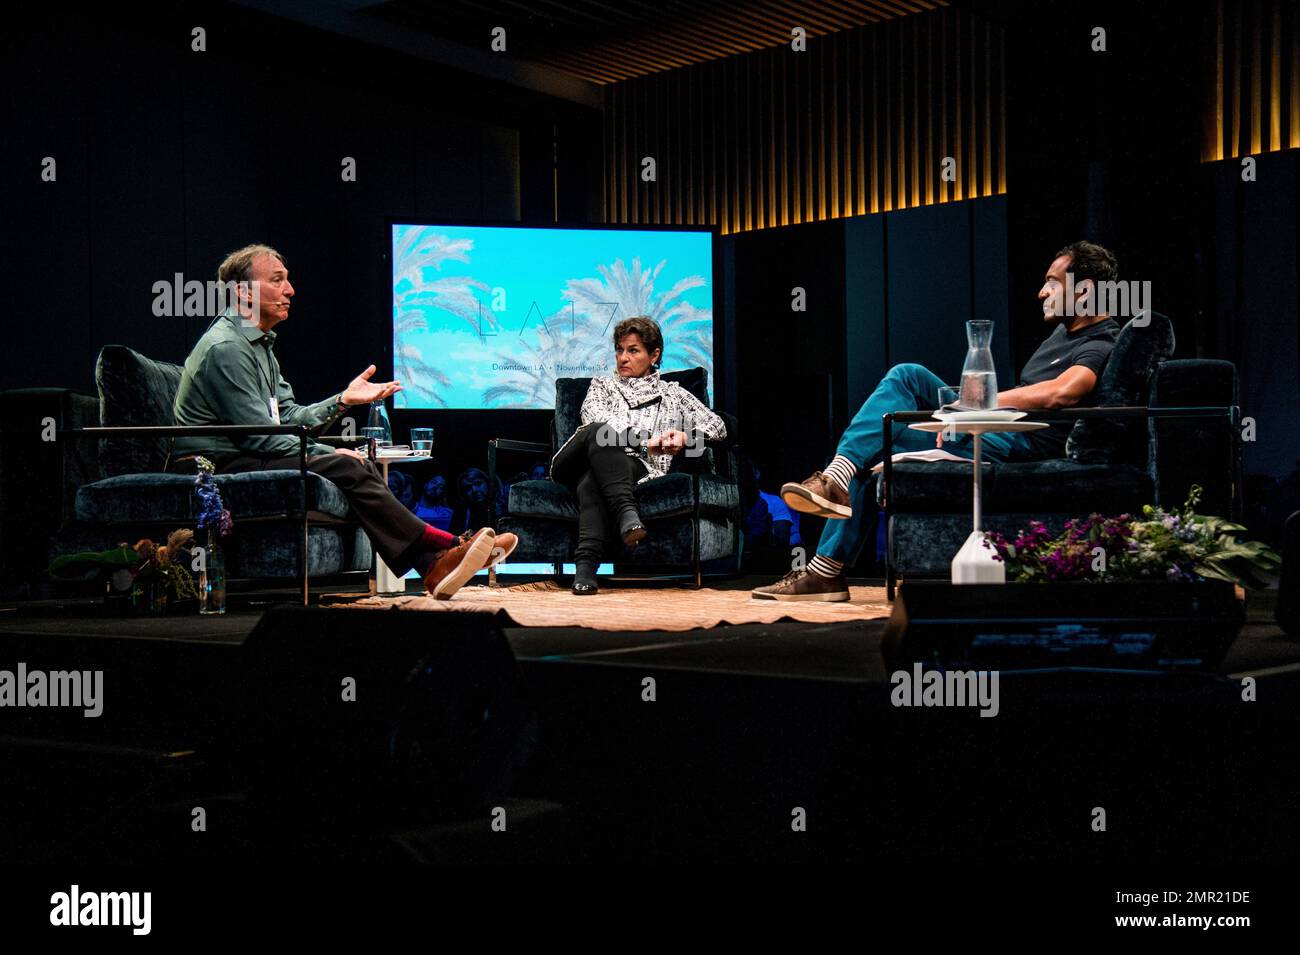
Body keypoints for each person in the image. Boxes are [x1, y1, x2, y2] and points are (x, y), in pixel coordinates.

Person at [753, 240, 1123, 602]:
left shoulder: (1102, 339)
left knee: (899, 393)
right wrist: (968, 409)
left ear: (1085, 289)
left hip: (1023, 446)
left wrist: (976, 406)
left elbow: (1064, 392)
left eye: (1052, 282)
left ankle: (829, 520)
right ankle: (829, 537)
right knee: (899, 393)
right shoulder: (1060, 335)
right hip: (999, 432)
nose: (1042, 293)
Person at [168, 243, 516, 599]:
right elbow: (262, 438)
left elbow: (289, 418)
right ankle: (445, 546)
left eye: (288, 280)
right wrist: (327, 452)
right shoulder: (226, 348)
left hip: (249, 450)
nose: (290, 290)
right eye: (277, 281)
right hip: (215, 465)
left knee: (353, 463)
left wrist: (343, 400)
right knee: (347, 465)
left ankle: (435, 563)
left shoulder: (259, 347)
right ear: (243, 291)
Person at [551, 316, 727, 595]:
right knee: (600, 432)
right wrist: (647, 443)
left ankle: (585, 570)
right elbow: (595, 421)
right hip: (575, 461)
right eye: (619, 350)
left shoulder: (674, 394)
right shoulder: (602, 386)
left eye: (633, 350)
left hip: (632, 469)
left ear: (654, 354)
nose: (623, 358)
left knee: (592, 480)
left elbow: (719, 427)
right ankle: (626, 514)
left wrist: (686, 436)